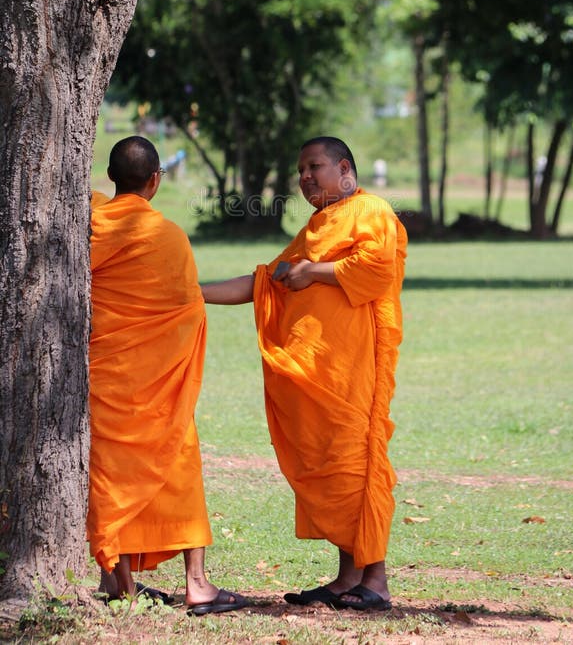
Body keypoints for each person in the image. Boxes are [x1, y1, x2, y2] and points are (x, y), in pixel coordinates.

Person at [202, 136, 407, 611]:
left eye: (315, 166)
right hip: (319, 370)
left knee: (356, 463)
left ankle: (374, 581)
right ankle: (346, 578)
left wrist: (314, 272)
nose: (306, 177)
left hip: (355, 369)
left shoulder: (371, 210)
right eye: (301, 170)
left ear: (344, 168)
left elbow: (375, 270)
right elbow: (264, 281)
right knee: (333, 464)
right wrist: (192, 294)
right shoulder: (319, 226)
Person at [88, 136, 247, 616]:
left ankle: (120, 581)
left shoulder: (86, 227)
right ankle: (197, 584)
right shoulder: (167, 236)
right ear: (155, 181)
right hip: (157, 385)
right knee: (177, 467)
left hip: (106, 378)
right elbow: (185, 304)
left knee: (109, 473)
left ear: (112, 178)